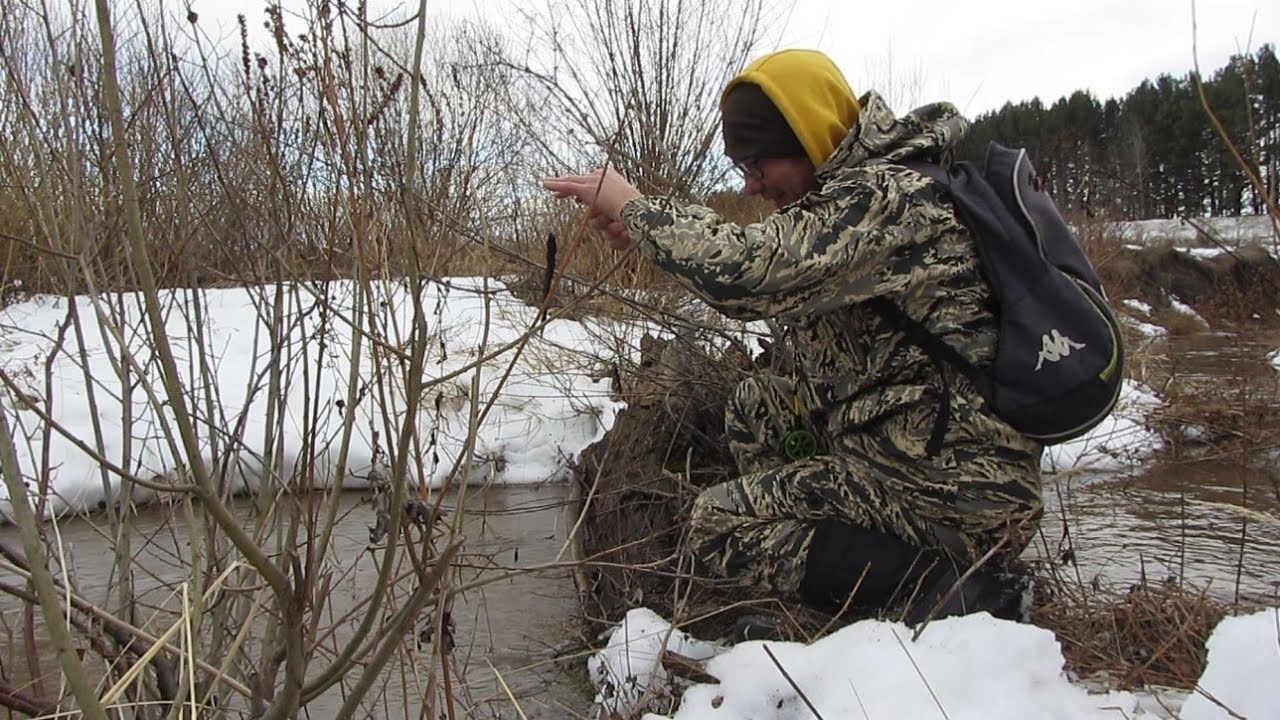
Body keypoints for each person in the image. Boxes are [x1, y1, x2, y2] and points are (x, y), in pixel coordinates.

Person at [544, 49, 1042, 624]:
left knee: (719, 525)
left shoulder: (887, 200)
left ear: (810, 138)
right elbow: (759, 258)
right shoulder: (855, 196)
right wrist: (650, 233)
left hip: (956, 489)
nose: (752, 185)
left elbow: (748, 271)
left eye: (759, 164)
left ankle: (961, 592)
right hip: (907, 447)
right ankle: (837, 569)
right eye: (742, 169)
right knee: (761, 407)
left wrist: (637, 210)